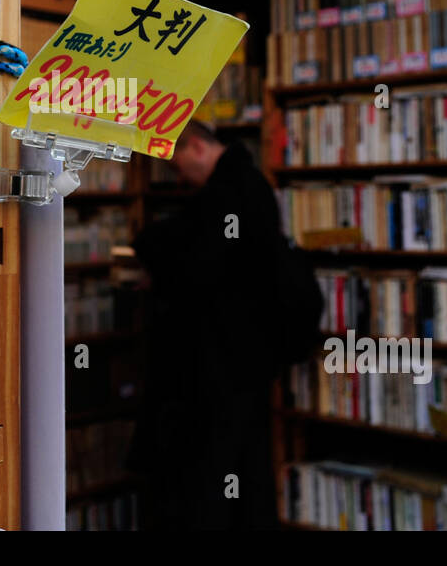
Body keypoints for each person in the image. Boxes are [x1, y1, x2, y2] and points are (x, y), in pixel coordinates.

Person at [129, 119, 319, 530]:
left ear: (197, 147)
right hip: (246, 356)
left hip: (225, 360)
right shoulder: (247, 185)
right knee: (242, 467)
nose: (180, 179)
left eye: (178, 166)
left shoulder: (230, 192)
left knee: (214, 470)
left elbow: (201, 264)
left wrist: (156, 259)